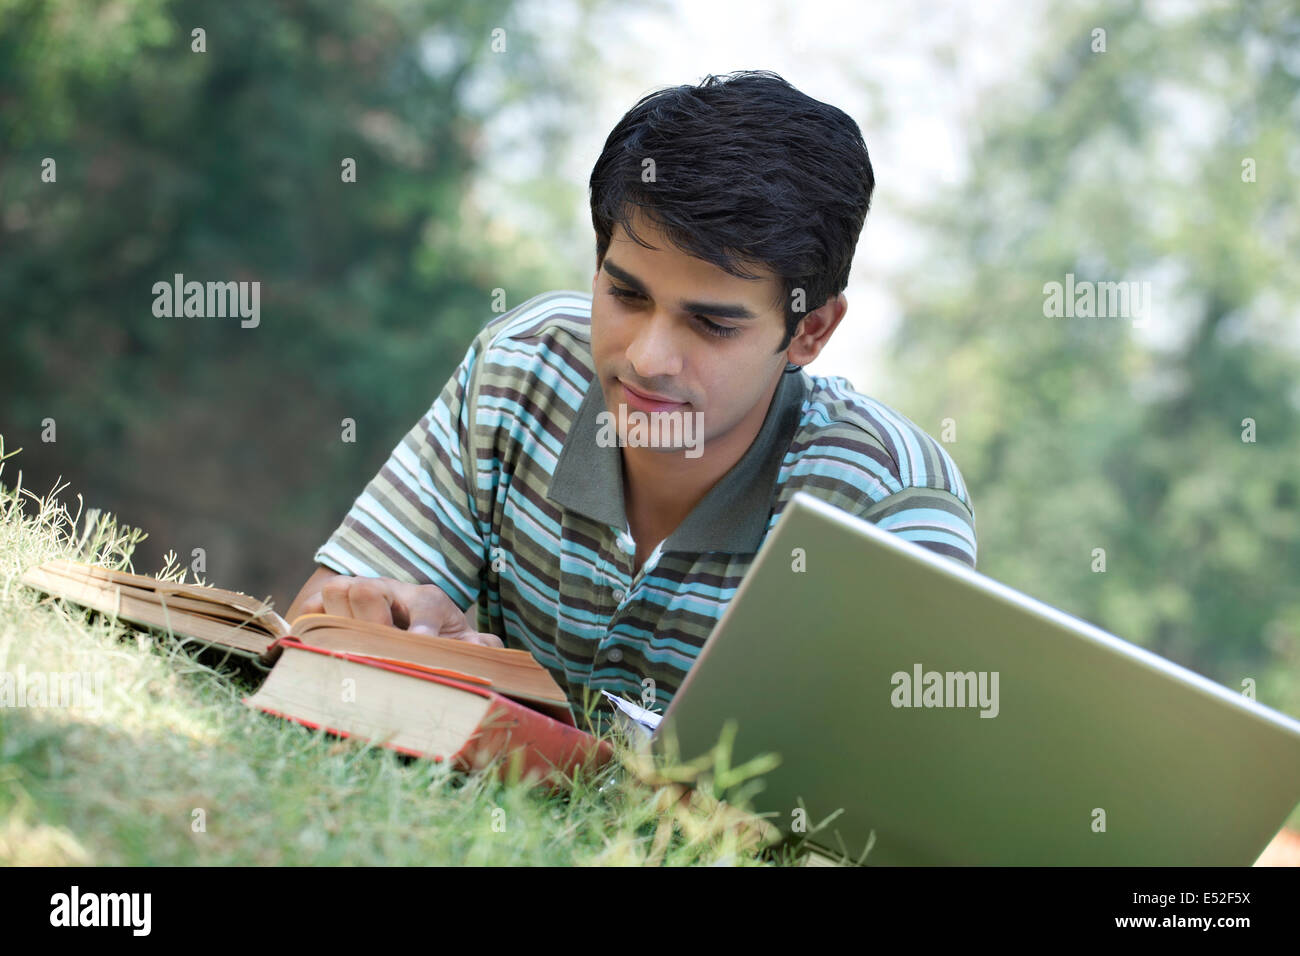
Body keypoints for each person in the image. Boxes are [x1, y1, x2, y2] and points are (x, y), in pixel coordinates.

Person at [286, 70, 976, 732]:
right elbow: (315, 627)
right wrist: (393, 625)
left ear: (811, 330)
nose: (647, 358)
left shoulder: (888, 498)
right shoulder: (526, 367)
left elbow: (898, 793)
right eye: (626, 295)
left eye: (711, 324)